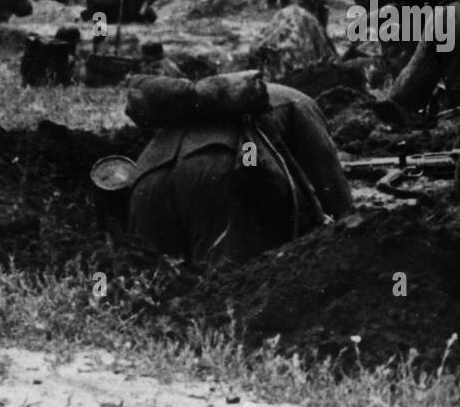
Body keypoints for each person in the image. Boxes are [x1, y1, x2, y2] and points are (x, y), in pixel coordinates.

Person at [123, 76, 353, 269]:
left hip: (147, 175)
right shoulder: (300, 102)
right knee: (228, 286)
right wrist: (349, 225)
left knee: (155, 283)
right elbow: (329, 181)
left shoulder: (193, 108)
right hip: (214, 170)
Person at [248, 0, 338, 84]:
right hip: (290, 75)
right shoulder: (311, 20)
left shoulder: (282, 13)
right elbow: (331, 58)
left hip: (263, 70)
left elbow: (255, 46)